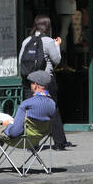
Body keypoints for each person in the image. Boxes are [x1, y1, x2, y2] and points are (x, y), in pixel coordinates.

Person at [18, 15, 71, 149]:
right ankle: (59, 142)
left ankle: (31, 141)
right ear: (48, 27)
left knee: (30, 109)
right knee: (52, 108)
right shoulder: (48, 41)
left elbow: (20, 61)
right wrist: (57, 45)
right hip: (45, 80)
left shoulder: (27, 41)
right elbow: (57, 60)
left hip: (30, 81)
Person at [1, 69, 60, 137]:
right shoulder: (52, 104)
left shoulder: (27, 104)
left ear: (35, 85)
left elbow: (14, 132)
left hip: (21, 139)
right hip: (39, 137)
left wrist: (7, 127)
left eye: (31, 83)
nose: (30, 85)